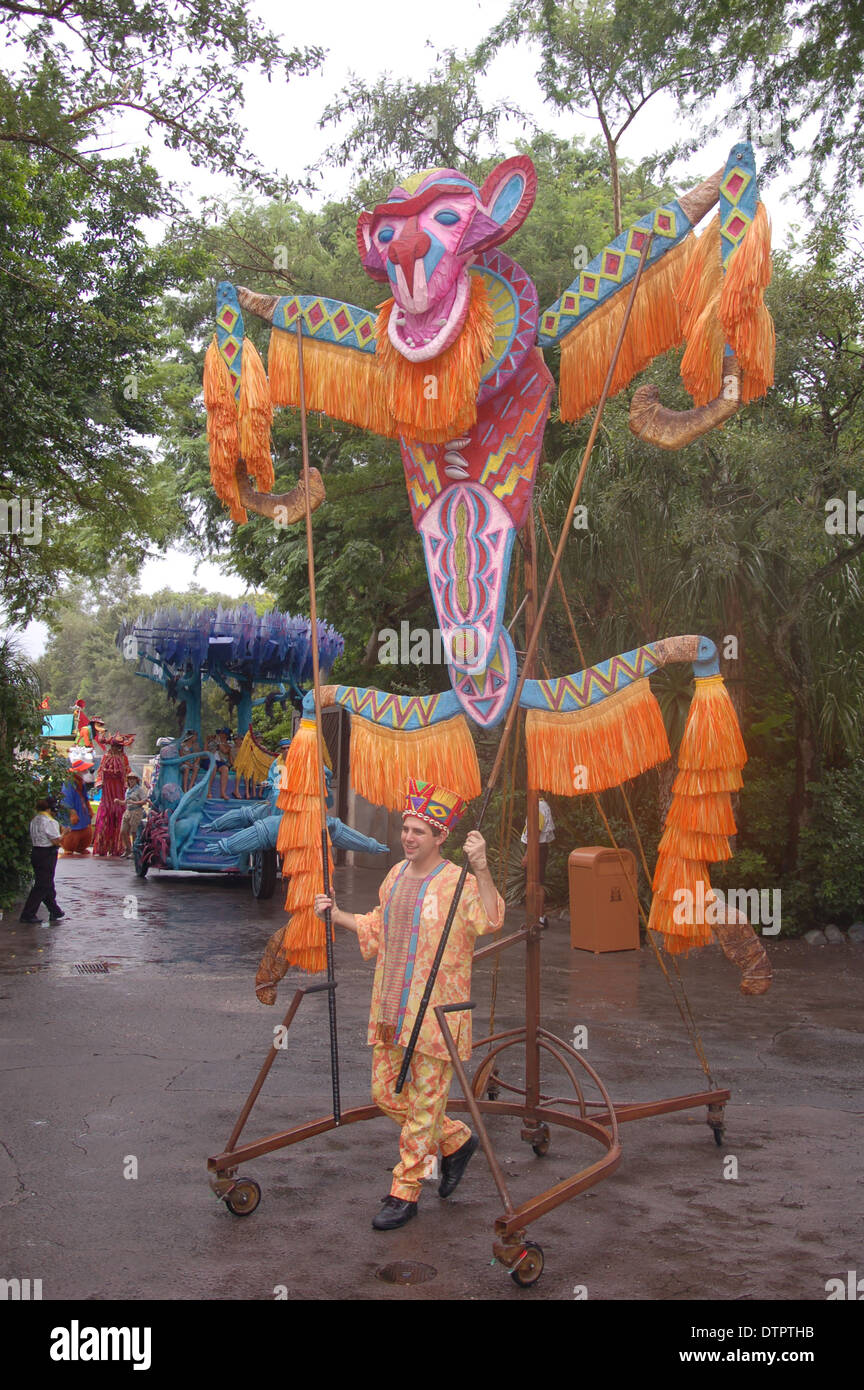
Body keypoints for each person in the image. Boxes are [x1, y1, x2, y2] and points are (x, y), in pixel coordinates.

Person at [314, 777, 504, 1231]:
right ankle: (456, 1140)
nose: (409, 837)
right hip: (391, 1011)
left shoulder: (458, 883)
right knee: (386, 1095)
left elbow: (493, 918)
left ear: (441, 837)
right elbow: (378, 929)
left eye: (419, 831)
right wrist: (336, 913)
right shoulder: (395, 876)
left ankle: (405, 1190)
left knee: (423, 1106)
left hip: (438, 1017)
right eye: (406, 829)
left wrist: (482, 868)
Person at [20, 798, 66, 924]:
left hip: (36, 852)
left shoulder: (35, 819)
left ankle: (55, 910)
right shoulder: (50, 822)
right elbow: (56, 841)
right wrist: (64, 833)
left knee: (47, 883)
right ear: (51, 809)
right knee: (42, 885)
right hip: (47, 854)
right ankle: (28, 914)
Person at [521, 795, 555, 926]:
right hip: (537, 847)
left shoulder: (539, 807)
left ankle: (539, 917)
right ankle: (538, 916)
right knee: (535, 882)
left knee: (536, 883)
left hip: (537, 848)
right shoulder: (540, 805)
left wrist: (528, 854)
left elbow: (536, 831)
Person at [119, 774, 149, 857]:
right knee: (123, 831)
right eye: (130, 779)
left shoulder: (139, 790)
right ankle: (128, 849)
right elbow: (126, 801)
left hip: (136, 811)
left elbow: (144, 801)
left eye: (133, 779)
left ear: (136, 780)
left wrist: (134, 802)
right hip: (128, 811)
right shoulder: (128, 790)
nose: (131, 781)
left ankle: (134, 850)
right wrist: (119, 801)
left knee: (134, 832)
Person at [207, 728, 235, 799]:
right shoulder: (213, 742)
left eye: (222, 733)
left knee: (225, 769)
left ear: (226, 735)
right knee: (214, 766)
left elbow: (225, 751)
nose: (220, 735)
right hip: (210, 760)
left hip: (221, 762)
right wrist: (209, 740)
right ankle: (208, 791)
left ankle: (223, 793)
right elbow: (206, 750)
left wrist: (219, 742)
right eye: (220, 733)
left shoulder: (230, 744)